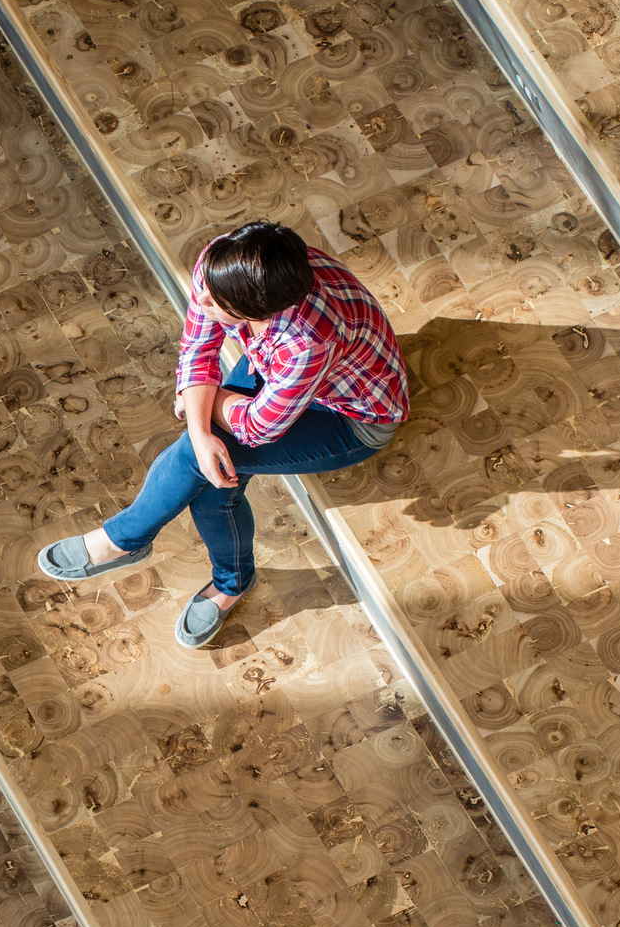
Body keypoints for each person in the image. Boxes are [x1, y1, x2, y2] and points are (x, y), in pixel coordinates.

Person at [38, 221, 408, 647]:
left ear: (256, 313)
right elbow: (198, 347)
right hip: (281, 380)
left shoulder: (307, 341)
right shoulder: (227, 264)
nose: (200, 299)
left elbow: (258, 427)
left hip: (352, 416)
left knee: (206, 461)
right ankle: (224, 580)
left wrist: (204, 403)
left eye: (216, 303)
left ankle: (126, 540)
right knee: (210, 464)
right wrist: (200, 430)